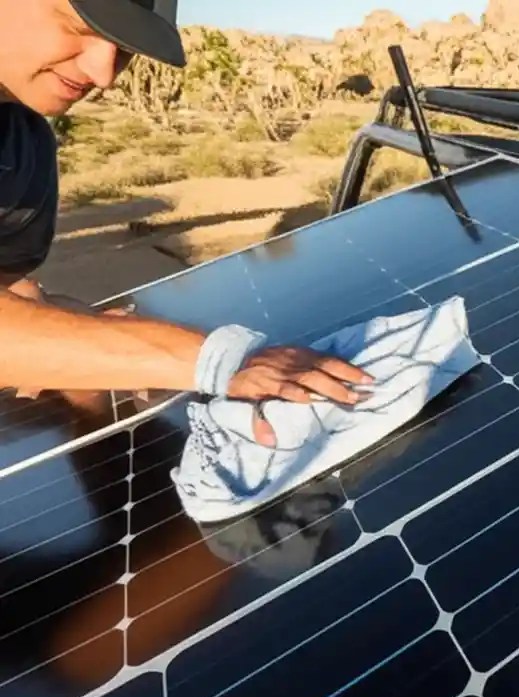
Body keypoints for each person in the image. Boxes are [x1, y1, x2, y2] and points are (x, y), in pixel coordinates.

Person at [0, 0, 369, 411]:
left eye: (122, 50)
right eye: (79, 28)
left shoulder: (23, 147)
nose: (103, 75)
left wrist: (77, 335)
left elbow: (10, 286)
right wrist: (218, 360)